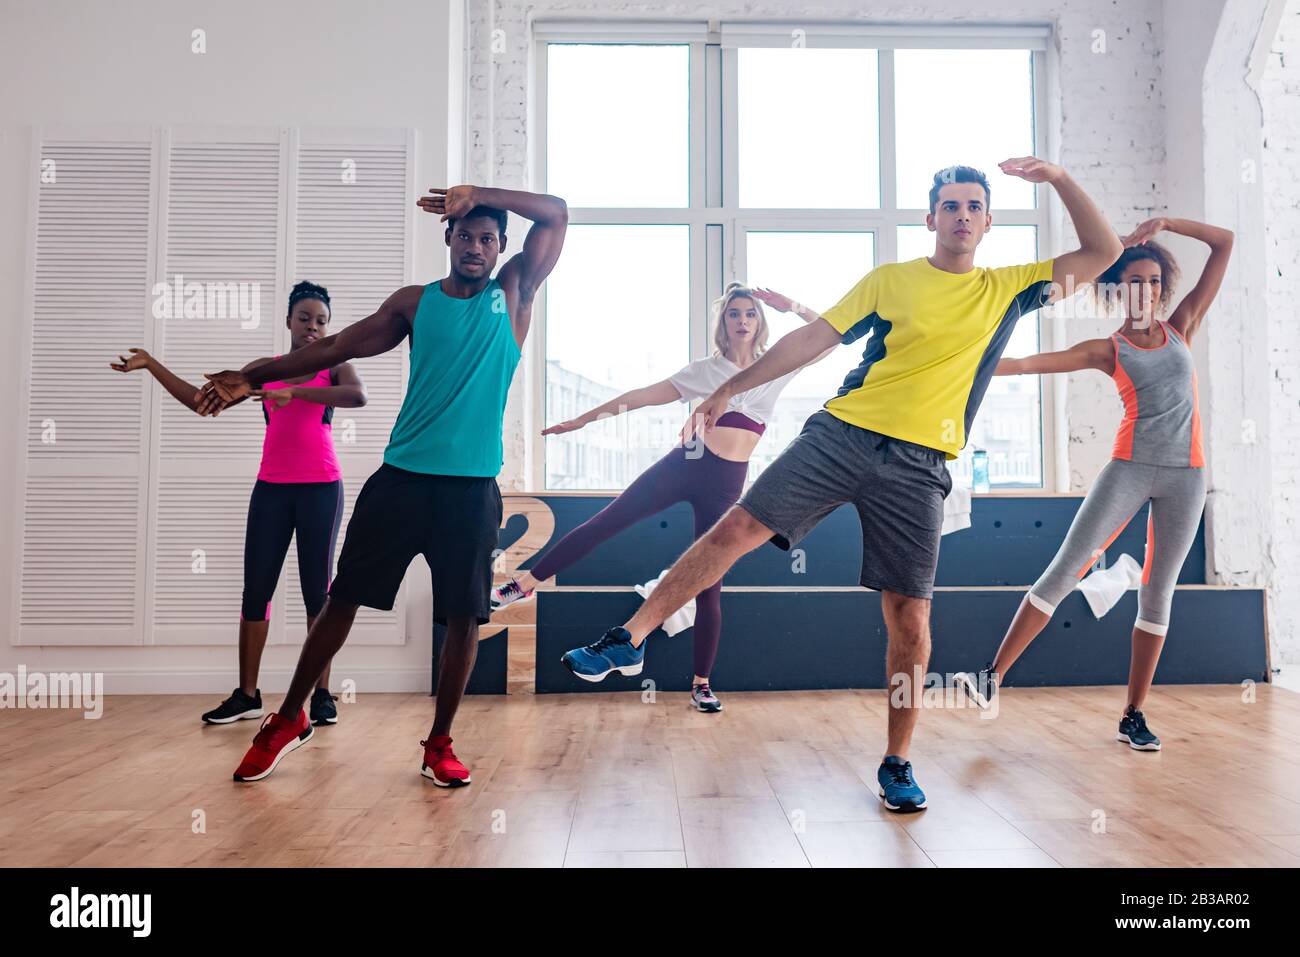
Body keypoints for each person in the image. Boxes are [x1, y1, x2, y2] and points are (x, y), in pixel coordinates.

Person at [560, 158, 1122, 813]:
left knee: (910, 619)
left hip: (920, 465)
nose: (962, 215)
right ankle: (628, 637)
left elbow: (1104, 251)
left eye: (974, 206)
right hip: (842, 435)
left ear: (989, 222)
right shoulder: (891, 279)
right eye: (951, 205)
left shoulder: (1012, 287)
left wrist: (1055, 178)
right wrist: (729, 387)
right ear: (931, 217)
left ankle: (897, 761)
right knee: (737, 526)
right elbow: (810, 339)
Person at [196, 184, 568, 785]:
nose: (476, 247)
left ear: (502, 249)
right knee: (341, 600)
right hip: (400, 481)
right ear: (447, 238)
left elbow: (556, 213)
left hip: (471, 489)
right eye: (466, 235)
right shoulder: (415, 304)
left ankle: (439, 743)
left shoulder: (514, 293)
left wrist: (476, 191)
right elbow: (339, 346)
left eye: (488, 239)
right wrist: (252, 374)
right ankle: (289, 717)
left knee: (464, 619)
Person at [954, 217, 1234, 751]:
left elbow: (1224, 243)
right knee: (1066, 568)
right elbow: (1029, 363)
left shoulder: (1184, 326)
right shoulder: (1108, 348)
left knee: (1158, 591)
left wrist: (1166, 223)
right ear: (1116, 289)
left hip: (1187, 477)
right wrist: (972, 362)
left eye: (1154, 281)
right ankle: (991, 677)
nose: (1145, 290)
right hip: (1128, 469)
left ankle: (1134, 714)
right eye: (1134, 281)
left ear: (1163, 287)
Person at [492, 282, 834, 712]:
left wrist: (793, 306)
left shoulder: (776, 366)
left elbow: (825, 339)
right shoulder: (702, 371)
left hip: (727, 482)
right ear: (723, 323)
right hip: (684, 465)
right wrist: (581, 420)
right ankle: (522, 585)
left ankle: (702, 684)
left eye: (750, 314)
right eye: (734, 314)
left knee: (709, 584)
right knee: (606, 522)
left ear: (760, 320)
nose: (743, 320)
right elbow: (640, 397)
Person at [111, 281, 365, 726]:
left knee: (317, 594)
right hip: (271, 489)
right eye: (304, 318)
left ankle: (322, 695)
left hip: (321, 489)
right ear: (288, 321)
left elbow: (357, 397)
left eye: (321, 321)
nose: (312, 327)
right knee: (256, 592)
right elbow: (200, 402)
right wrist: (152, 365)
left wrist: (297, 393)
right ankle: (247, 695)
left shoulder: (336, 365)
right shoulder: (265, 369)